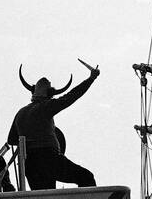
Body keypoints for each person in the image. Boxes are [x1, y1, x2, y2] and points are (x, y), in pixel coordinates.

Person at [8, 60, 100, 189]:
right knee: (86, 177)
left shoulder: (20, 113)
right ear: (50, 93)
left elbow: (11, 140)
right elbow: (70, 97)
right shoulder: (46, 106)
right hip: (49, 158)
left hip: (29, 164)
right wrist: (91, 79)